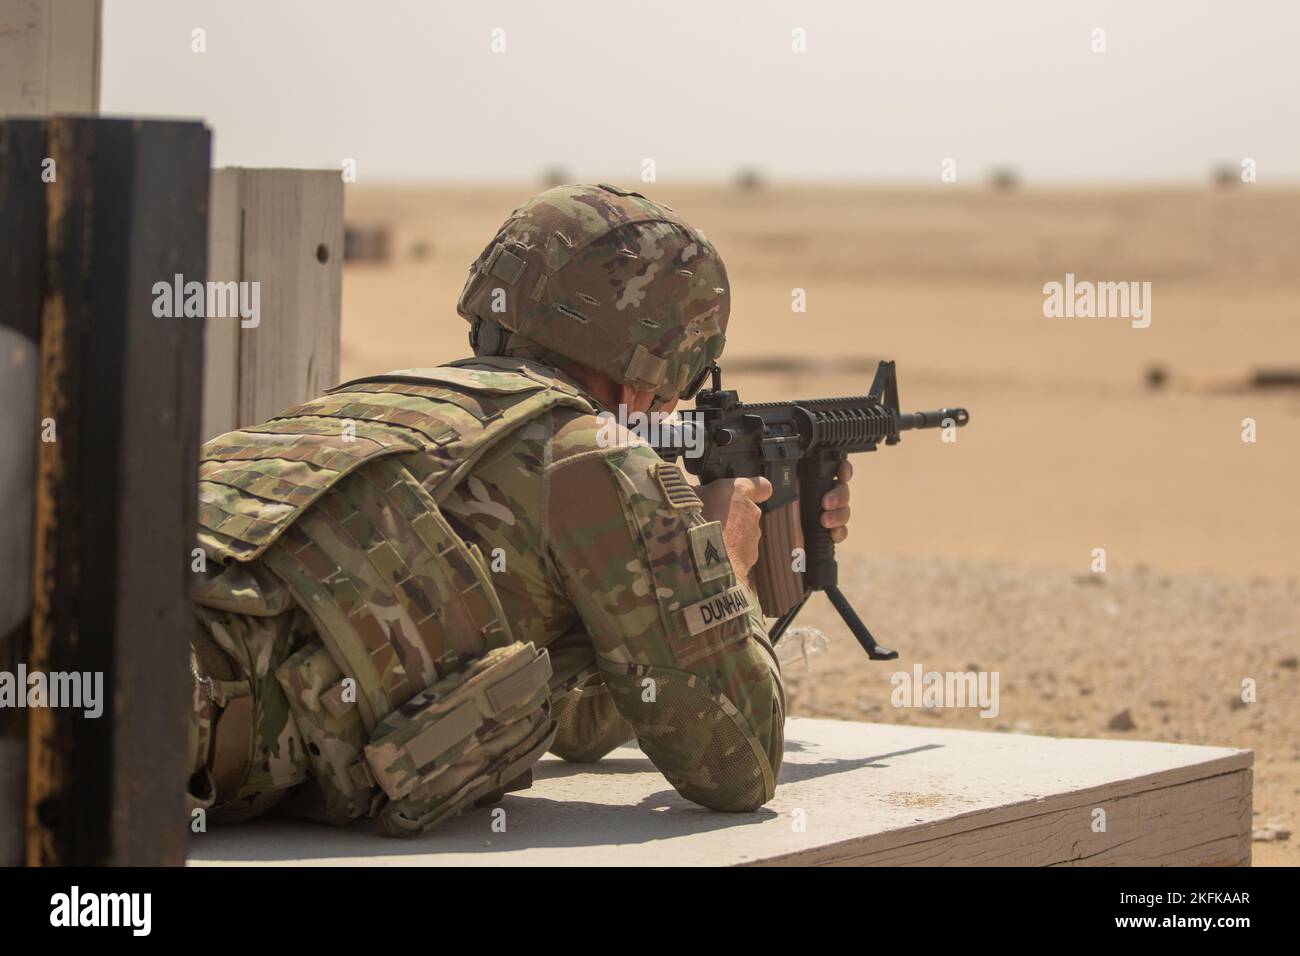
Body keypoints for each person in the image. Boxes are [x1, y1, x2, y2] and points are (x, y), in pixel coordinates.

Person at [187, 183, 852, 836]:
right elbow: (738, 763)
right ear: (647, 369)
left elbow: (582, 725)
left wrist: (663, 588)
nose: (669, 407)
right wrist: (725, 560)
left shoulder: (370, 403)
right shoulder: (598, 456)